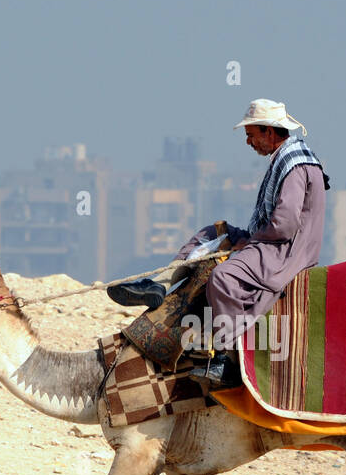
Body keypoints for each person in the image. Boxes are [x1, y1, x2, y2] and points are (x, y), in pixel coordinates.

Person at [109, 98, 329, 388]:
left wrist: (249, 246)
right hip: (271, 240)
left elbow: (285, 226)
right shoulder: (287, 159)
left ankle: (227, 358)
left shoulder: (295, 165)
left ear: (270, 132)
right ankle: (160, 283)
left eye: (251, 135)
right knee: (212, 233)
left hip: (285, 251)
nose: (249, 142)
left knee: (223, 277)